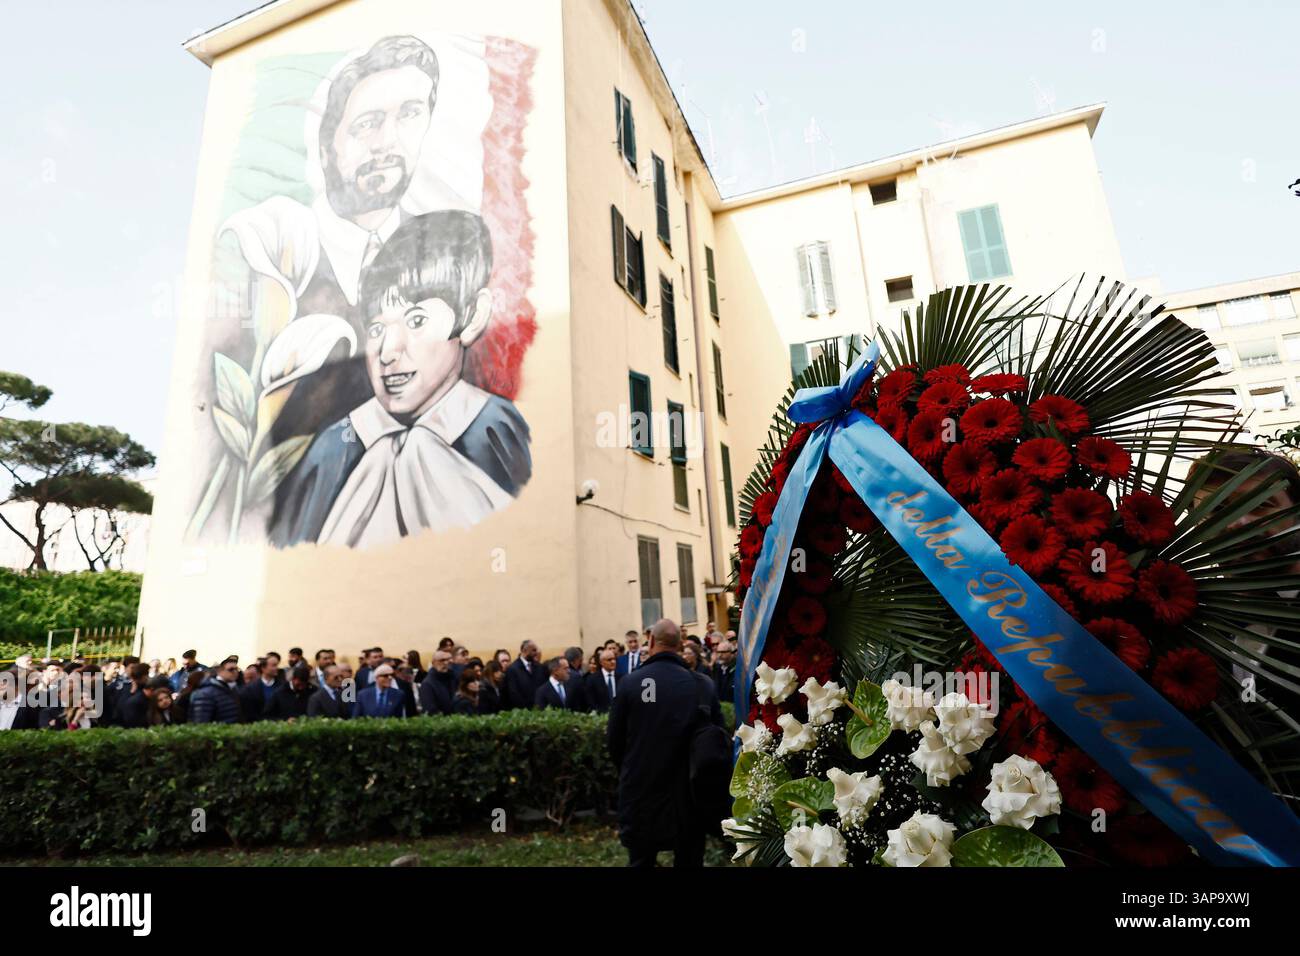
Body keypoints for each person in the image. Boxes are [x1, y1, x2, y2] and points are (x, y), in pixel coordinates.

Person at [271, 210, 532, 548]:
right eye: (377, 329)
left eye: (417, 320)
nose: (388, 350)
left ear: (472, 317)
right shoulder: (336, 446)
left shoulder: (497, 431)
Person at [607, 618, 724, 868]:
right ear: (681, 644)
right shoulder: (702, 686)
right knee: (690, 859)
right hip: (690, 797)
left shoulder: (629, 683)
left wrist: (632, 770)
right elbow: (717, 740)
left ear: (650, 642)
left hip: (640, 792)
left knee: (640, 860)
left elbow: (614, 743)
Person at [188, 659, 243, 724]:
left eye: (237, 669)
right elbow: (201, 722)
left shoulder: (233, 688)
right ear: (220, 671)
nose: (235, 672)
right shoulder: (206, 693)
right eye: (231, 669)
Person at [504, 639, 547, 709]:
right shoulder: (513, 669)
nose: (536, 653)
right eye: (533, 650)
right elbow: (514, 693)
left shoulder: (539, 667)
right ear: (524, 650)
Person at [418, 649, 456, 715]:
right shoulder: (427, 684)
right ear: (433, 663)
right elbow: (430, 710)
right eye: (442, 660)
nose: (446, 663)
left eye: (448, 660)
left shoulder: (452, 678)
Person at [583, 648, 619, 714]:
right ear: (601, 662)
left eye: (614, 659)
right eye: (609, 660)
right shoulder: (592, 679)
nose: (613, 662)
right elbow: (591, 701)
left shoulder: (622, 677)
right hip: (601, 717)